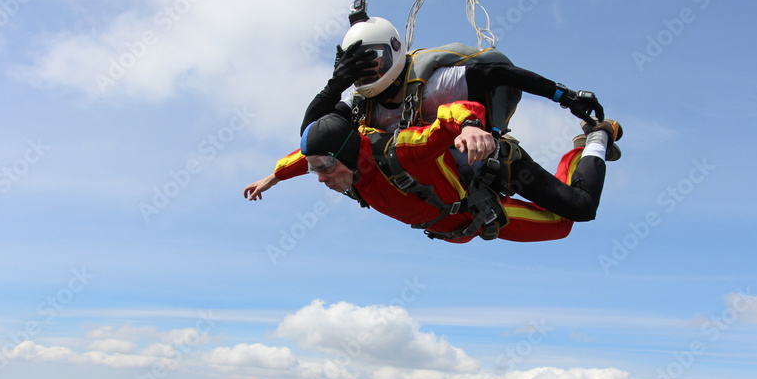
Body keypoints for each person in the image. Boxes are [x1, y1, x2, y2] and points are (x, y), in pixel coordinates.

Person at [245, 99, 622, 243]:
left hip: (484, 211)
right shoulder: (340, 160)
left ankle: (592, 141)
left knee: (569, 219)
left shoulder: (402, 152)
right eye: (316, 171)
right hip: (465, 226)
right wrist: (274, 176)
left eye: (325, 168)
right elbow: (304, 155)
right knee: (562, 222)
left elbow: (447, 116)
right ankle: (581, 151)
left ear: (345, 153)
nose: (323, 178)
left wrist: (471, 125)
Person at [300, 2, 608, 143]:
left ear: (394, 50)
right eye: (354, 67)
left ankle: (596, 140)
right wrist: (334, 85)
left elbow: (502, 74)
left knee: (574, 209)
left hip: (475, 157)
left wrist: (565, 96)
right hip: (430, 193)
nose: (366, 73)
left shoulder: (434, 85)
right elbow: (309, 134)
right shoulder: (359, 108)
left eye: (374, 60)